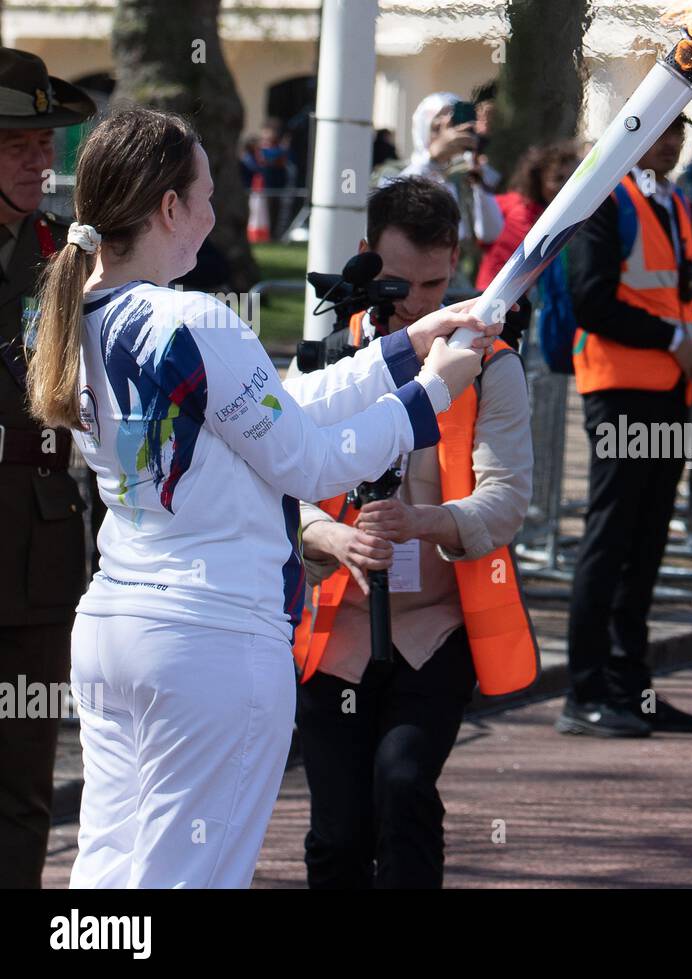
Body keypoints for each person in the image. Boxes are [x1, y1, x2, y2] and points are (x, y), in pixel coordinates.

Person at [27, 106, 496, 888]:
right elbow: (310, 463)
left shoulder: (71, 315)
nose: (216, 217)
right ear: (168, 208)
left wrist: (403, 349)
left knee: (110, 874)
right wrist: (432, 395)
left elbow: (278, 407)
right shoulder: (192, 316)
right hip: (212, 639)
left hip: (117, 628)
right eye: (207, 197)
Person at [291, 176, 534, 889]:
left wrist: (420, 522)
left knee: (402, 789)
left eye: (435, 282)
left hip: (437, 630)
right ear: (366, 255)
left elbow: (508, 500)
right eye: (400, 281)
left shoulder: (492, 365)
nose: (419, 304)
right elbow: (274, 482)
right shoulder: (326, 358)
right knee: (337, 832)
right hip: (336, 632)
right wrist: (334, 540)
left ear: (456, 258)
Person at [560, 114, 692, 736]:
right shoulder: (606, 198)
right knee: (610, 539)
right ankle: (583, 693)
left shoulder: (676, 204)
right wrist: (675, 340)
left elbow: (690, 296)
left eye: (679, 135)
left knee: (647, 542)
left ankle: (632, 688)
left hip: (670, 392)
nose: (673, 144)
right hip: (620, 390)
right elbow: (592, 299)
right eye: (664, 133)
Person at [0, 46, 94, 890]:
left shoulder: (64, 260)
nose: (42, 159)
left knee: (24, 780)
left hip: (36, 556)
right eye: (19, 142)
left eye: (45, 142)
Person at [400, 92, 503, 250]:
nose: (446, 135)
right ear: (422, 129)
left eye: (452, 125)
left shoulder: (465, 172)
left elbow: (491, 233)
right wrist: (433, 157)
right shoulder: (399, 171)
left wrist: (478, 181)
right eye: (437, 127)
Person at [476, 141, 579, 290]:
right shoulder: (509, 203)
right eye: (558, 179)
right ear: (538, 178)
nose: (565, 187)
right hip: (488, 295)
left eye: (572, 179)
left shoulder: (568, 221)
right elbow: (483, 238)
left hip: (530, 300)